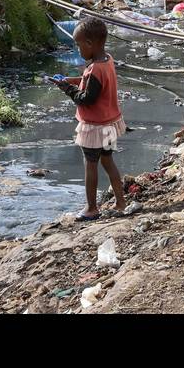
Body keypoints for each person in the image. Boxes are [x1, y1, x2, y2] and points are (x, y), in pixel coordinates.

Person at [52, 17, 127, 221]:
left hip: (95, 127)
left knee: (90, 164)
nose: (78, 50)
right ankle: (121, 202)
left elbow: (86, 99)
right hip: (110, 123)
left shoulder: (94, 69)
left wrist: (68, 89)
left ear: (89, 44)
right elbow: (90, 84)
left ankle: (91, 208)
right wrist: (71, 81)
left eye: (78, 45)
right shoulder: (107, 60)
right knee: (108, 161)